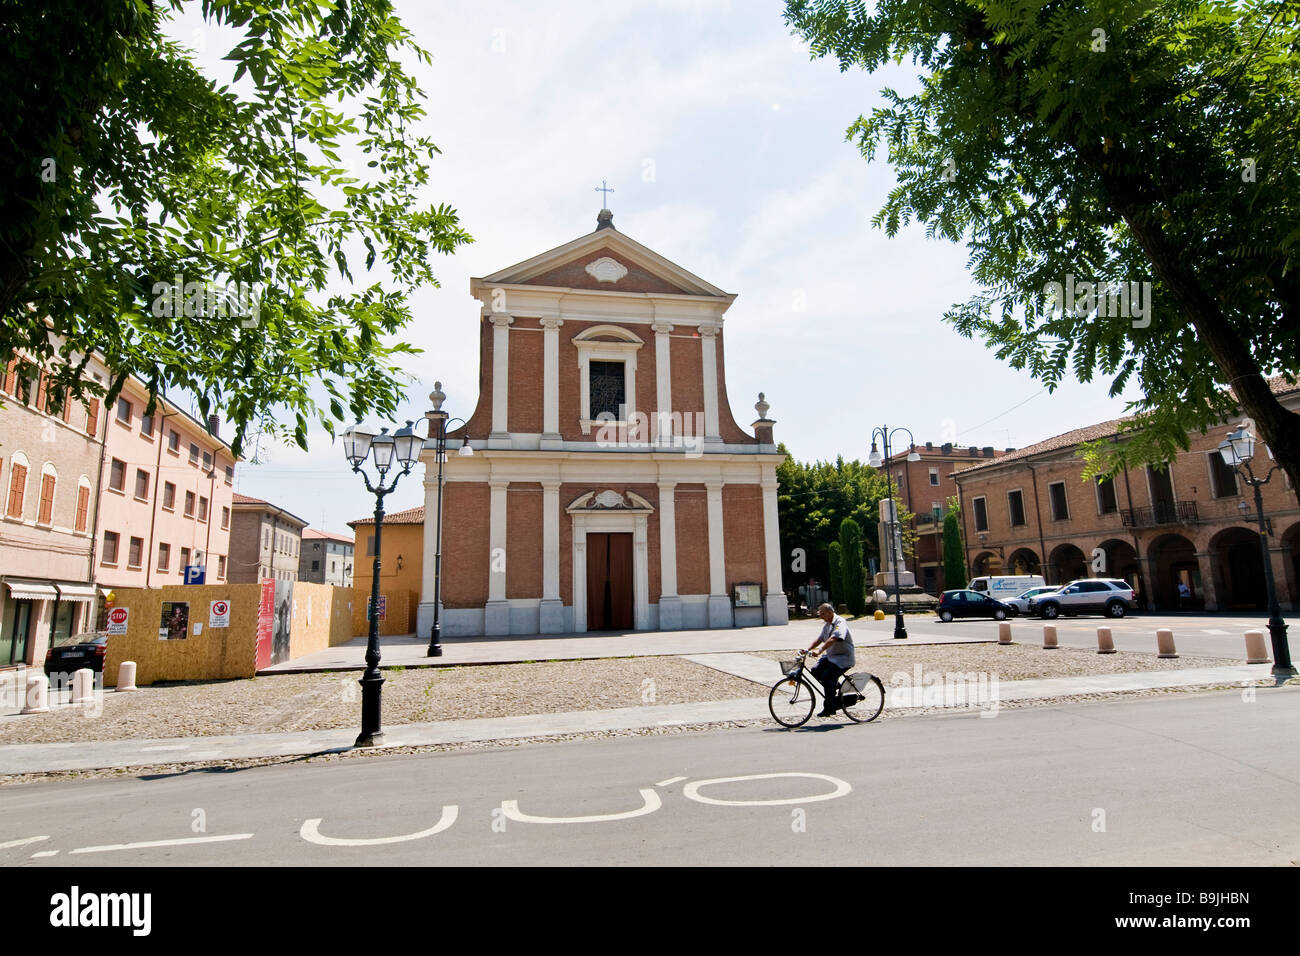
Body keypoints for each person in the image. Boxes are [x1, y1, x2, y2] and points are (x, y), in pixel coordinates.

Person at [806, 602, 856, 717]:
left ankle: (830, 708)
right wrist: (807, 649)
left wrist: (820, 650)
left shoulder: (840, 622)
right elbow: (819, 639)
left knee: (827, 678)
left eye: (822, 614)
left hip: (844, 657)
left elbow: (835, 638)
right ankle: (835, 687)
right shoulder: (827, 624)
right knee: (815, 670)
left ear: (830, 613)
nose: (821, 616)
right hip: (832, 657)